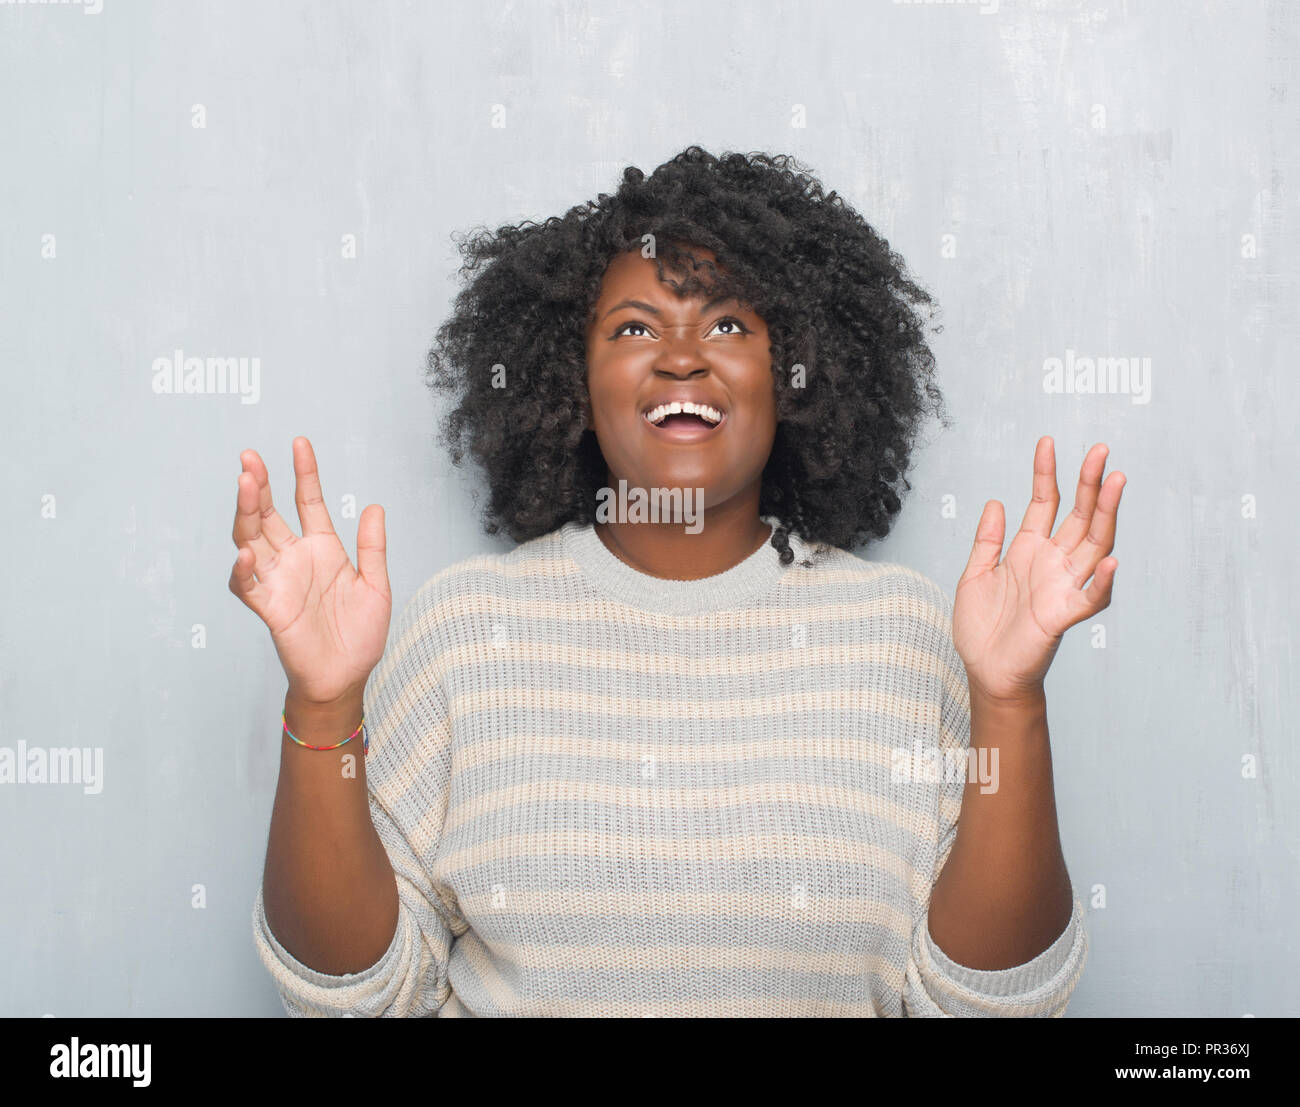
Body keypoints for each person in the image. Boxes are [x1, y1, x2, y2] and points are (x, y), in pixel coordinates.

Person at [230, 147, 1124, 1016]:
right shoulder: (467, 628)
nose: (683, 356)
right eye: (633, 327)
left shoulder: (906, 632)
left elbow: (993, 1004)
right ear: (572, 379)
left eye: (730, 324)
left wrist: (1010, 700)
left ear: (797, 371)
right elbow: (352, 993)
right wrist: (321, 704)